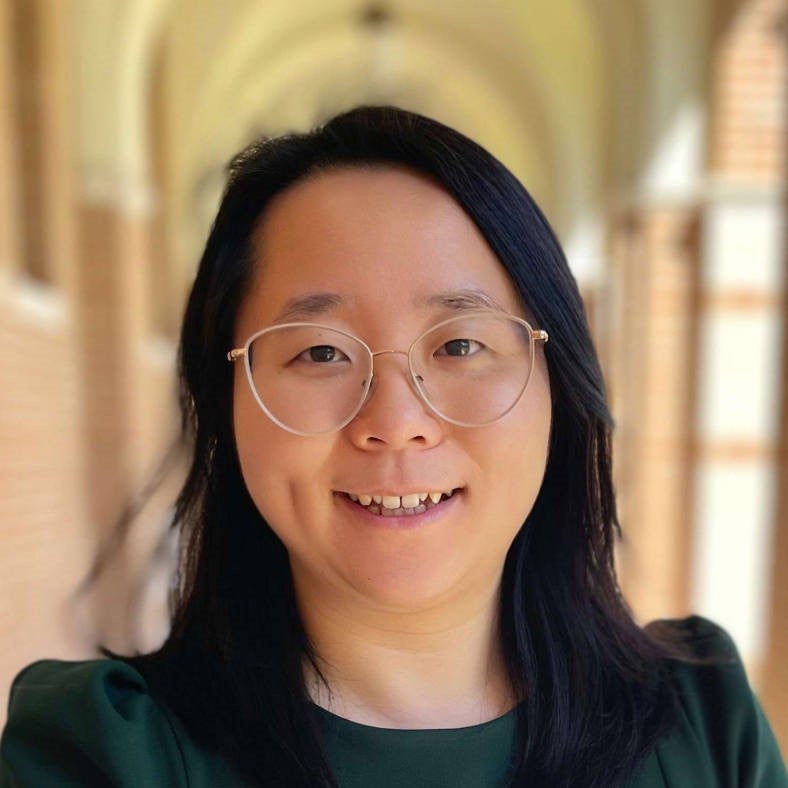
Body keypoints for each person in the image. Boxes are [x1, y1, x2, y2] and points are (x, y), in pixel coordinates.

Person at [1, 105, 785, 788]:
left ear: (559, 381)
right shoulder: (106, 754)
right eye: (320, 352)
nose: (396, 420)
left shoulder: (707, 730)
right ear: (226, 400)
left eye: (460, 345)